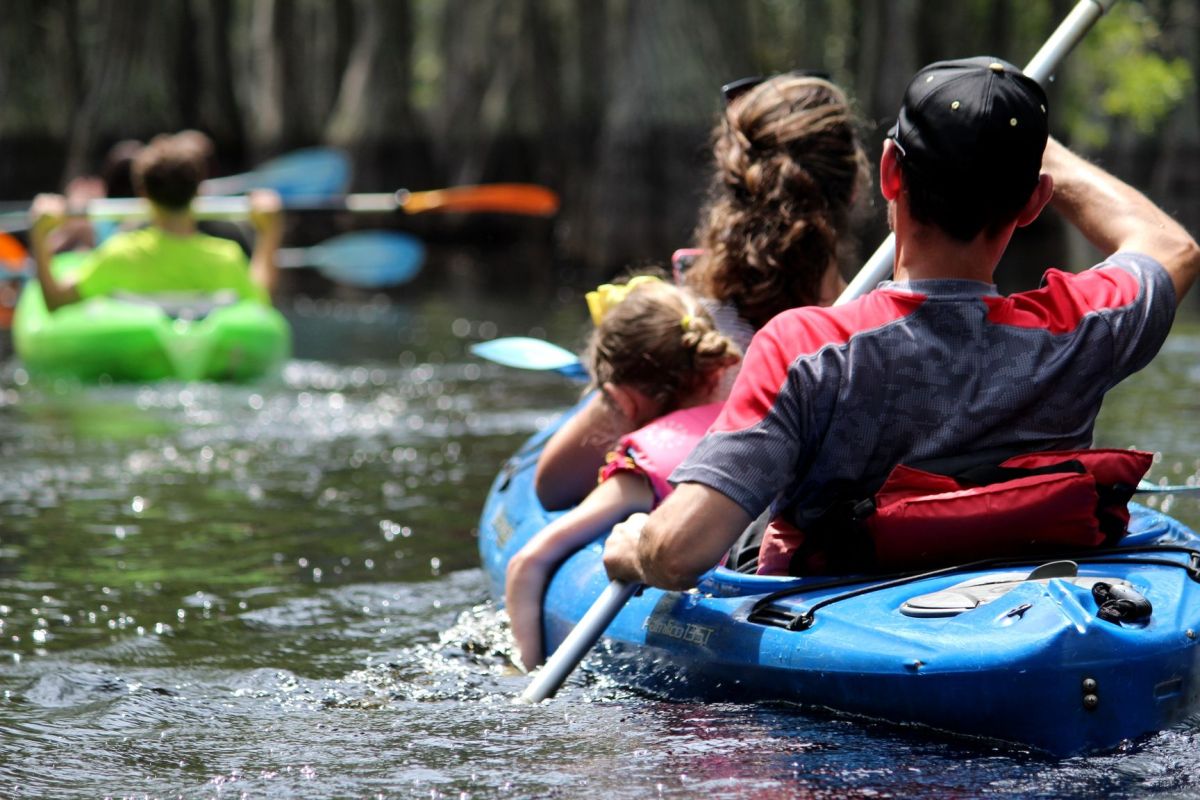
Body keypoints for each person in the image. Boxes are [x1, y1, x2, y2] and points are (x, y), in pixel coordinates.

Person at [602, 56, 1200, 590]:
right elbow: (1171, 247)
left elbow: (680, 554)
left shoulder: (806, 348)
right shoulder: (1083, 328)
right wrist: (1041, 152)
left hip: (844, 616)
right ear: (1034, 202)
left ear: (890, 170)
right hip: (1021, 597)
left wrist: (635, 546)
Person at [534, 72, 869, 511]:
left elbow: (553, 485)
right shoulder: (879, 331)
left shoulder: (688, 330)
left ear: (733, 182)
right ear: (857, 189)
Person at [506, 276, 741, 670]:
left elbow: (527, 562)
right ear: (717, 370)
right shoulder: (760, 429)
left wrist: (520, 668)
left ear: (620, 400)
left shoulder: (639, 473)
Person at [29, 131, 282, 312]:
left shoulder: (120, 255)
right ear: (198, 190)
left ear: (143, 192)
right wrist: (270, 232)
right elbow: (261, 300)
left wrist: (40, 235)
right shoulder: (225, 258)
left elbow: (56, 300)